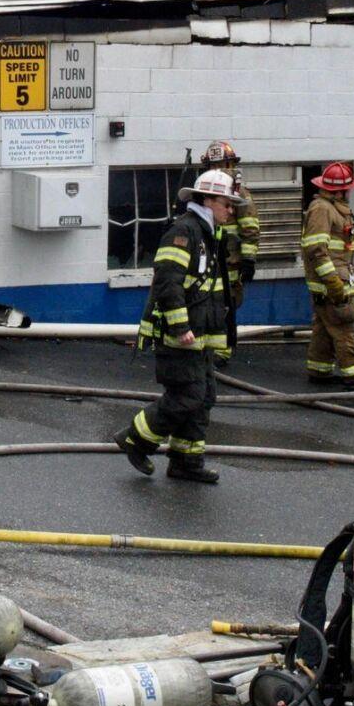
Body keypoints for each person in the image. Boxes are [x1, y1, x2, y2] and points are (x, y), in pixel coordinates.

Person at [114, 168, 240, 485]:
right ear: (209, 200)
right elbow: (168, 283)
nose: (231, 209)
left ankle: (186, 460)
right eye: (227, 202)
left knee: (204, 397)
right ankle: (135, 439)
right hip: (179, 337)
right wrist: (180, 325)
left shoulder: (209, 234)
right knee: (186, 397)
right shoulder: (184, 232)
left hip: (199, 338)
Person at [302, 161, 354, 386]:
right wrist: (332, 281)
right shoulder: (322, 209)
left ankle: (319, 369)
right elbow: (316, 249)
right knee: (346, 325)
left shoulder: (332, 208)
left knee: (325, 325)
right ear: (340, 189)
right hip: (333, 280)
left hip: (336, 277)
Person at [200, 140, 257, 366]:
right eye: (214, 165)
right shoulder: (204, 189)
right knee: (212, 304)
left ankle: (222, 352)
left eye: (221, 164)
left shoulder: (237, 191)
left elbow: (250, 227)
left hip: (230, 263)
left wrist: (248, 259)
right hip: (210, 261)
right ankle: (214, 349)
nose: (218, 169)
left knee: (226, 305)